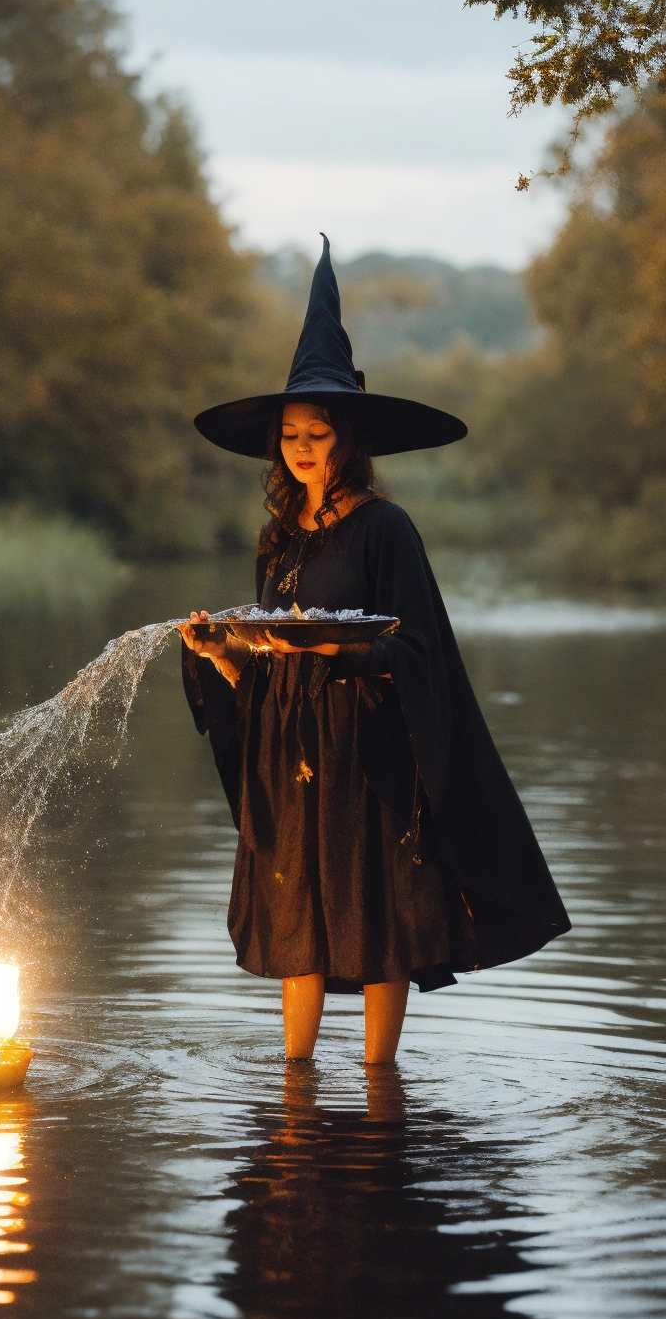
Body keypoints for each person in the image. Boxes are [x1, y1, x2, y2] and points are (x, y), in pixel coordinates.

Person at [179, 239, 569, 1065]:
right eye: (290, 435)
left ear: (347, 438)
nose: (303, 447)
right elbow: (267, 659)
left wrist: (340, 654)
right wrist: (220, 655)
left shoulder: (385, 529)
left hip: (368, 747)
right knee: (297, 905)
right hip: (292, 750)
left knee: (377, 903)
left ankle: (379, 1076)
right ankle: (295, 1074)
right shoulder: (278, 539)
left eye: (318, 432)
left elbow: (416, 647)